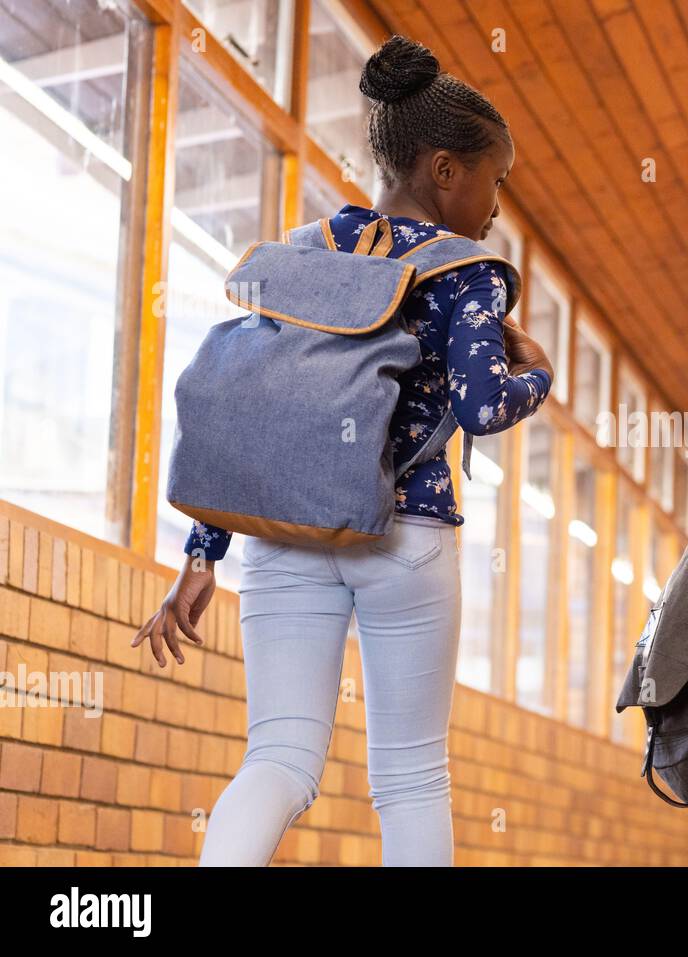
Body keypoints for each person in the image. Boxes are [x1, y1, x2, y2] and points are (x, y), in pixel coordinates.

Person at [132, 36, 553, 866]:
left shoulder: (300, 252)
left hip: (286, 536)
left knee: (279, 757)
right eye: (494, 179)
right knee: (410, 779)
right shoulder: (463, 272)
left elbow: (247, 410)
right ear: (443, 170)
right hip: (406, 534)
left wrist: (201, 553)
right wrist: (537, 374)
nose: (497, 205)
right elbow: (481, 402)